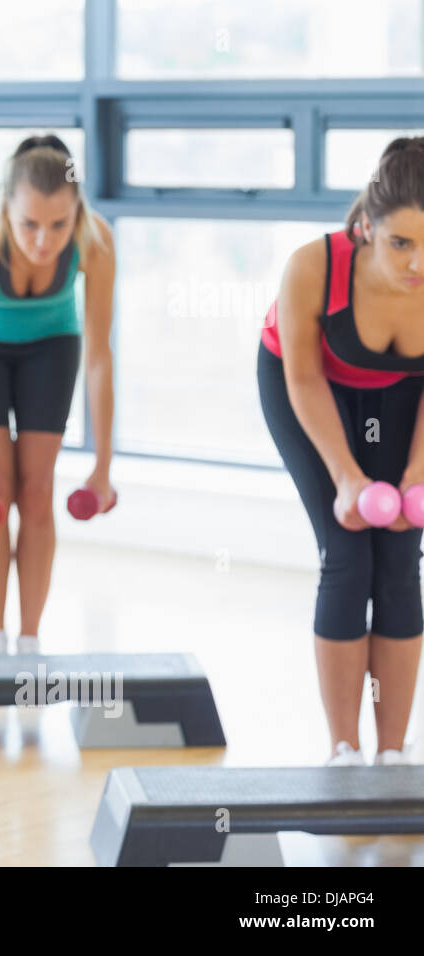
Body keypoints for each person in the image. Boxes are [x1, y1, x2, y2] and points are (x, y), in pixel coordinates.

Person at [257, 136, 424, 767]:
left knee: (402, 562)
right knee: (346, 556)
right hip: (309, 390)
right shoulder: (311, 267)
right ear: (365, 228)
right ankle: (345, 750)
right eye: (401, 243)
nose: (417, 265)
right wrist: (348, 477)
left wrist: (414, 474)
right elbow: (301, 378)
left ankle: (392, 755)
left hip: (403, 402)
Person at [0, 134, 116, 654]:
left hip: (52, 345)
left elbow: (99, 358)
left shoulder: (95, 239)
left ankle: (29, 642)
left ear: (77, 212)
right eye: (29, 224)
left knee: (37, 489)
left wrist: (103, 467)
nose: (44, 240)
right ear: (6, 207)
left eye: (58, 225)